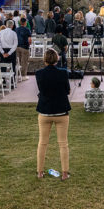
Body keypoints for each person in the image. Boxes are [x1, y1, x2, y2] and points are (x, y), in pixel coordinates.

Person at [35, 49, 71, 179]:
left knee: (42, 142)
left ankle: (40, 172)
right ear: (57, 59)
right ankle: (65, 173)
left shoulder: (39, 73)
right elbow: (67, 90)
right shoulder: (63, 73)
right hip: (61, 110)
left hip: (45, 111)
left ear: (45, 59)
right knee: (63, 143)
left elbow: (41, 89)